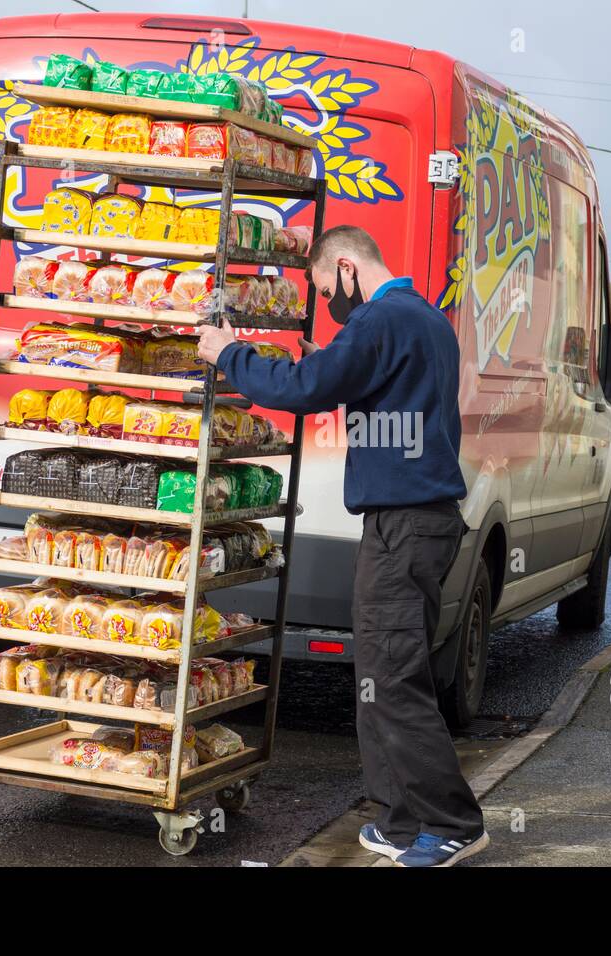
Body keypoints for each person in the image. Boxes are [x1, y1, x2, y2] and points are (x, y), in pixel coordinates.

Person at [197, 225, 489, 867]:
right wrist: (323, 357)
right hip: (422, 521)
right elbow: (367, 383)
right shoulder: (425, 319)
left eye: (329, 288)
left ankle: (453, 822)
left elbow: (304, 393)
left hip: (404, 525)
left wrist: (229, 353)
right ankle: (398, 819)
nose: (330, 301)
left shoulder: (380, 322)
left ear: (351, 269)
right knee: (379, 676)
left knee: (393, 676)